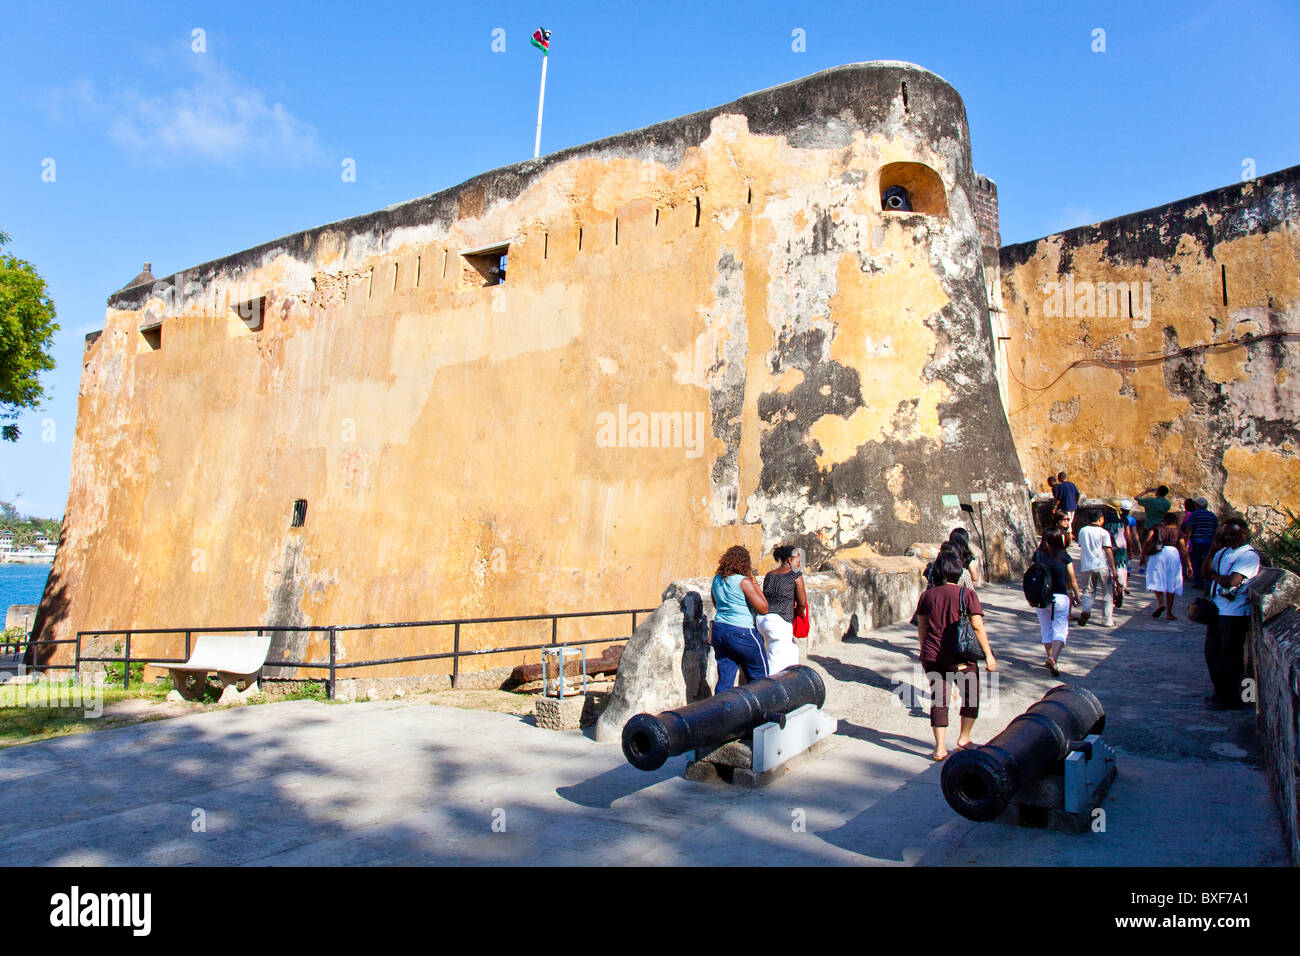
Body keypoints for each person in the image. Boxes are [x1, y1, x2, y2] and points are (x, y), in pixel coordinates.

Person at [914, 549, 996, 761]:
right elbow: (977, 626)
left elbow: (922, 627)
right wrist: (988, 654)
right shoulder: (966, 594)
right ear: (958, 571)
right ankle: (963, 738)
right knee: (970, 695)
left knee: (939, 700)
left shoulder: (927, 595)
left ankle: (940, 748)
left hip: (932, 655)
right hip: (959, 655)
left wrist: (925, 650)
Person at [1202, 517, 1261, 710]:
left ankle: (1231, 698)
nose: (1230, 537)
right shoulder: (1222, 552)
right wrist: (1213, 548)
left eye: (1234, 534)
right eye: (1227, 534)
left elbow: (1232, 581)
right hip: (1217, 610)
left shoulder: (1249, 555)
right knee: (1213, 655)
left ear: (1245, 533)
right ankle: (1220, 693)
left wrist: (1214, 576)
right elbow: (1204, 572)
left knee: (1230, 658)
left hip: (1234, 614)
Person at [709, 546, 770, 691]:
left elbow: (716, 604)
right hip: (742, 632)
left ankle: (719, 710)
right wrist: (754, 581)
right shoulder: (743, 582)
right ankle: (764, 711)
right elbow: (764, 608)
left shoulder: (716, 580)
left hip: (720, 630)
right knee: (760, 678)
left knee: (725, 680)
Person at [1034, 527, 1079, 676]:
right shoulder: (1063, 556)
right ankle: (1053, 658)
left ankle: (1050, 658)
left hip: (1042, 597)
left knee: (1046, 629)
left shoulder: (1038, 555)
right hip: (1060, 596)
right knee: (1060, 630)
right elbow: (1072, 578)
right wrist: (1077, 595)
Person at [757, 545, 807, 674]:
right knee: (775, 660)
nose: (799, 564)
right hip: (780, 620)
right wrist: (799, 614)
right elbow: (802, 602)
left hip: (763, 619)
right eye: (798, 560)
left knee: (791, 650)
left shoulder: (770, 575)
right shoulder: (795, 574)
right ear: (790, 560)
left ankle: (790, 680)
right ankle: (771, 687)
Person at [1144, 513, 1193, 619]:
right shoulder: (1178, 531)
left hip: (1158, 554)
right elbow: (1184, 549)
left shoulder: (1157, 528)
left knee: (1156, 579)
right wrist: (1189, 565)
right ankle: (1169, 613)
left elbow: (1148, 540)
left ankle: (1161, 603)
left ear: (1164, 521)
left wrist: (1143, 554)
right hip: (1173, 554)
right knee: (1171, 582)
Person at [1076, 508, 1116, 627]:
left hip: (1086, 565)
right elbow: (1108, 551)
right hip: (1101, 565)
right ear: (1100, 519)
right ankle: (1107, 619)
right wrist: (1113, 568)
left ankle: (1086, 611)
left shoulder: (1082, 531)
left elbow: (1080, 545)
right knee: (1107, 592)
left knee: (1088, 591)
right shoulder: (1104, 533)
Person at [1135, 485, 1173, 569]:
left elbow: (1136, 497)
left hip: (1150, 526)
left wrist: (1147, 491)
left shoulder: (1150, 501)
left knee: (1147, 543)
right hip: (1161, 527)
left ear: (1157, 492)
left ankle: (1144, 559)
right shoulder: (1167, 503)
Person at [1185, 497, 1219, 589]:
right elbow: (1216, 529)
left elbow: (1189, 528)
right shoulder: (1212, 515)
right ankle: (1208, 583)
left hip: (1197, 540)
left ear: (1197, 505)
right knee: (1208, 561)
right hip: (1209, 541)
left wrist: (1187, 541)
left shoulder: (1194, 514)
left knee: (1196, 561)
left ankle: (1198, 582)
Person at [1054, 471, 1081, 539]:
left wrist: (1055, 507)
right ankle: (1070, 536)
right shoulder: (1072, 484)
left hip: (1066, 506)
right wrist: (1075, 502)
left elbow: (1059, 498)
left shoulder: (1061, 486)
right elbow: (1077, 494)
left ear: (1060, 478)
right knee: (1070, 521)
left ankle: (1069, 537)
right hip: (1073, 506)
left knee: (1067, 522)